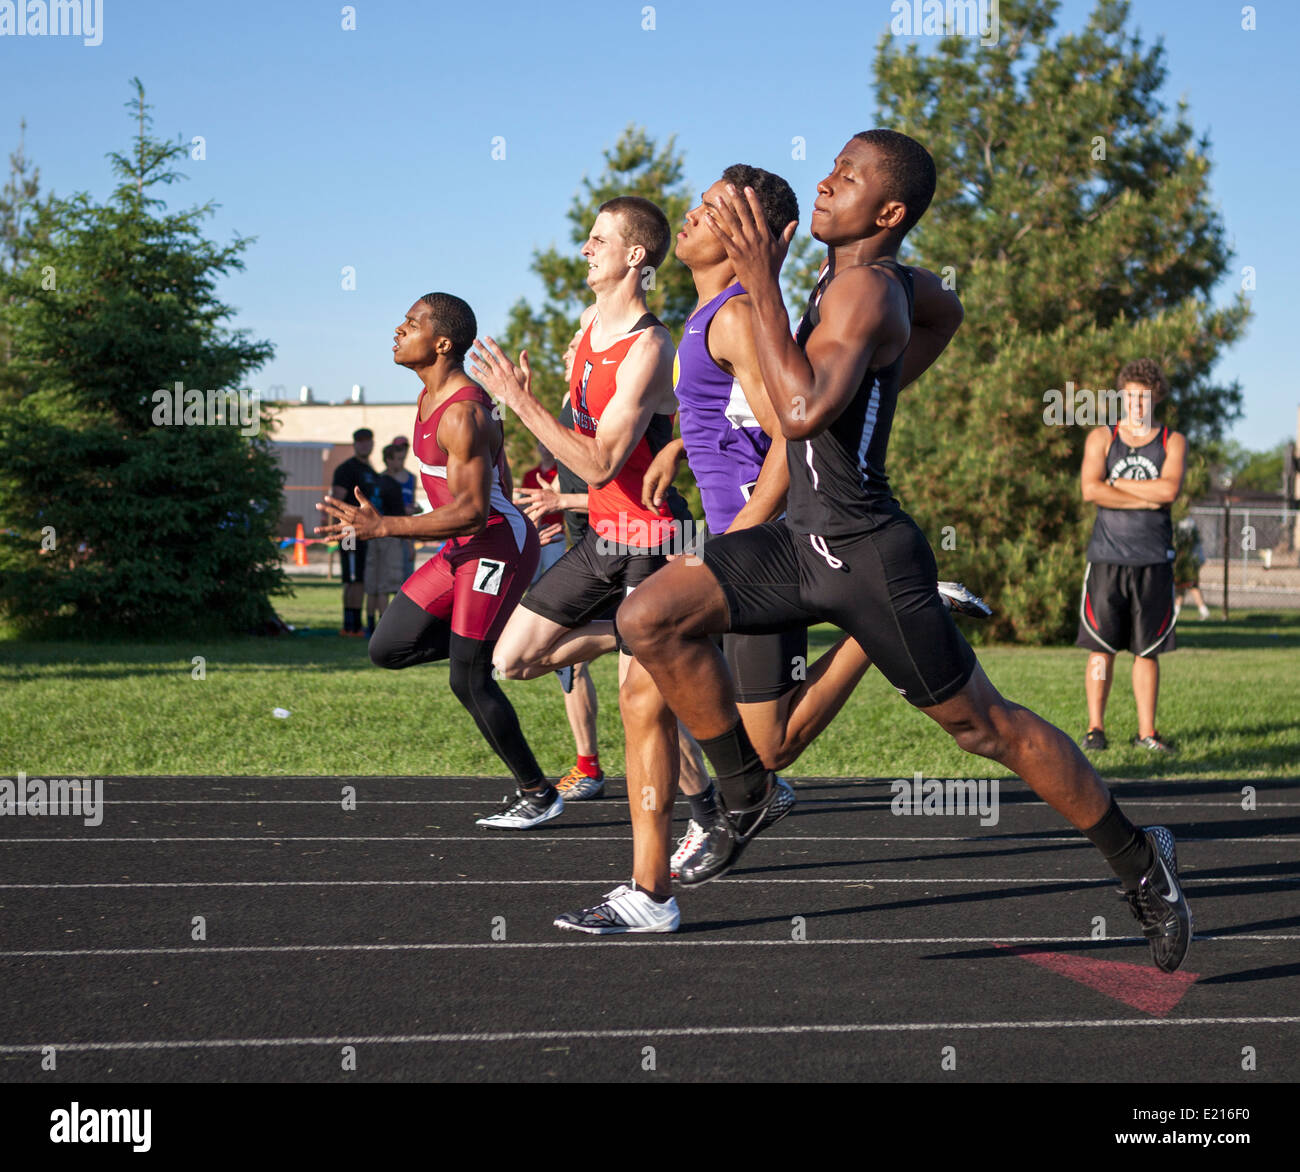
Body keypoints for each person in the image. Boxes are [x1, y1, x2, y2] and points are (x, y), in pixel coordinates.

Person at [614, 130, 1192, 972]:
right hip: (797, 540)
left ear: (886, 212)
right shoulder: (854, 280)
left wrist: (765, 286)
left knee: (984, 727)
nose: (823, 182)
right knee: (651, 616)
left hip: (866, 553)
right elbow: (945, 312)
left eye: (844, 178)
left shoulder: (861, 295)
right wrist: (885, 384)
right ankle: (745, 792)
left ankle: (1141, 860)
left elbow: (803, 412)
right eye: (829, 168)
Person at [550, 164, 989, 931]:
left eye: (713, 211)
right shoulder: (714, 314)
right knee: (643, 694)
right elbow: (754, 417)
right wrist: (685, 443)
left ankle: (674, 868)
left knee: (769, 742)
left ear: (755, 236)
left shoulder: (740, 316)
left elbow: (794, 433)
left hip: (761, 546)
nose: (688, 218)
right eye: (697, 205)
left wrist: (742, 541)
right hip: (735, 543)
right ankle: (650, 888)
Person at [469, 196, 696, 925]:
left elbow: (601, 462)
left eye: (599, 239)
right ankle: (635, 639)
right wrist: (533, 410)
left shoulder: (649, 345)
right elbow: (578, 468)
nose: (585, 249)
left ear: (637, 257)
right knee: (514, 659)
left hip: (654, 541)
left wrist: (516, 401)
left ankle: (660, 871)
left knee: (644, 716)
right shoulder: (584, 334)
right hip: (601, 537)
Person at [315, 292, 551, 826]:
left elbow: (472, 512)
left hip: (492, 545)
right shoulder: (430, 400)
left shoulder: (463, 412)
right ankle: (496, 642)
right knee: (387, 647)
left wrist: (383, 527)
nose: (399, 330)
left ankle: (538, 794)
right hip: (462, 545)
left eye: (411, 323)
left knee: (467, 680)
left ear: (442, 343)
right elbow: (499, 474)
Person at [1077, 359, 1186, 753]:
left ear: (1155, 398)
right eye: (1130, 396)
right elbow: (1091, 490)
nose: (1137, 403)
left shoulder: (1172, 441)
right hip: (1107, 559)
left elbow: (1169, 492)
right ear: (1120, 396)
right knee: (1100, 648)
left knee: (1148, 650)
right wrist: (1147, 493)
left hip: (1154, 559)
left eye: (1144, 396)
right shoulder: (1102, 438)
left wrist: (1119, 483)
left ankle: (1147, 734)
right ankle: (1095, 730)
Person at [331, 428, 379, 636]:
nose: (364, 445)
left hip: (367, 531)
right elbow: (337, 500)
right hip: (350, 531)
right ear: (354, 444)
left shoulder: (371, 471)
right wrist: (342, 529)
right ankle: (351, 625)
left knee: (359, 578)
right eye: (360, 441)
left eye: (367, 441)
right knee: (353, 578)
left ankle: (353, 624)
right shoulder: (346, 469)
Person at [362, 444, 411, 624]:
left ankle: (369, 625)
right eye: (398, 459)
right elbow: (400, 518)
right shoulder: (393, 485)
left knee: (372, 586)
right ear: (388, 460)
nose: (401, 462)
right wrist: (408, 544)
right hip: (390, 536)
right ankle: (383, 626)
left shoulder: (373, 482)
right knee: (385, 585)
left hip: (371, 535)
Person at [389, 434, 419, 581]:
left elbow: (412, 503)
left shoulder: (411, 477)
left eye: (405, 447)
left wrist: (414, 509)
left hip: (407, 529)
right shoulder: (384, 477)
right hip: (389, 529)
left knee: (406, 574)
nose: (402, 451)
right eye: (399, 448)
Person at [1174, 515, 1211, 620]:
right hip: (1186, 559)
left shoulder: (1186, 523)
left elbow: (1187, 542)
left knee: (1191, 585)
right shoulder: (1182, 521)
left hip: (1189, 560)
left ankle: (1203, 610)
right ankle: (1175, 611)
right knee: (1180, 586)